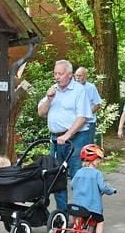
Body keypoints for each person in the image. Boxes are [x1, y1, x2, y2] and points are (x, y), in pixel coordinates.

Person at [37, 59, 94, 212]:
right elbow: (41, 112)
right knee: (56, 176)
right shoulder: (53, 90)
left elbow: (82, 117)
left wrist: (67, 135)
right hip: (56, 139)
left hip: (76, 138)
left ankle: (80, 214)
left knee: (77, 176)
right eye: (55, 73)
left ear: (69, 75)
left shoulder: (79, 91)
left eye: (60, 74)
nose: (57, 77)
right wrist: (49, 99)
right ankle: (62, 214)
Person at [70, 144, 117, 233]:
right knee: (100, 220)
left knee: (79, 216)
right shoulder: (97, 174)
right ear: (93, 160)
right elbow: (104, 188)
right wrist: (112, 191)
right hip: (92, 208)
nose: (99, 162)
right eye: (98, 159)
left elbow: (72, 185)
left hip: (78, 207)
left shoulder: (78, 172)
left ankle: (76, 228)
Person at [74, 67, 102, 138]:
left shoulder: (91, 87)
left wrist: (86, 114)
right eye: (76, 75)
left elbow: (97, 104)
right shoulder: (72, 88)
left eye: (80, 76)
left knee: (87, 146)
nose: (78, 78)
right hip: (74, 122)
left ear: (86, 76)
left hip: (89, 122)